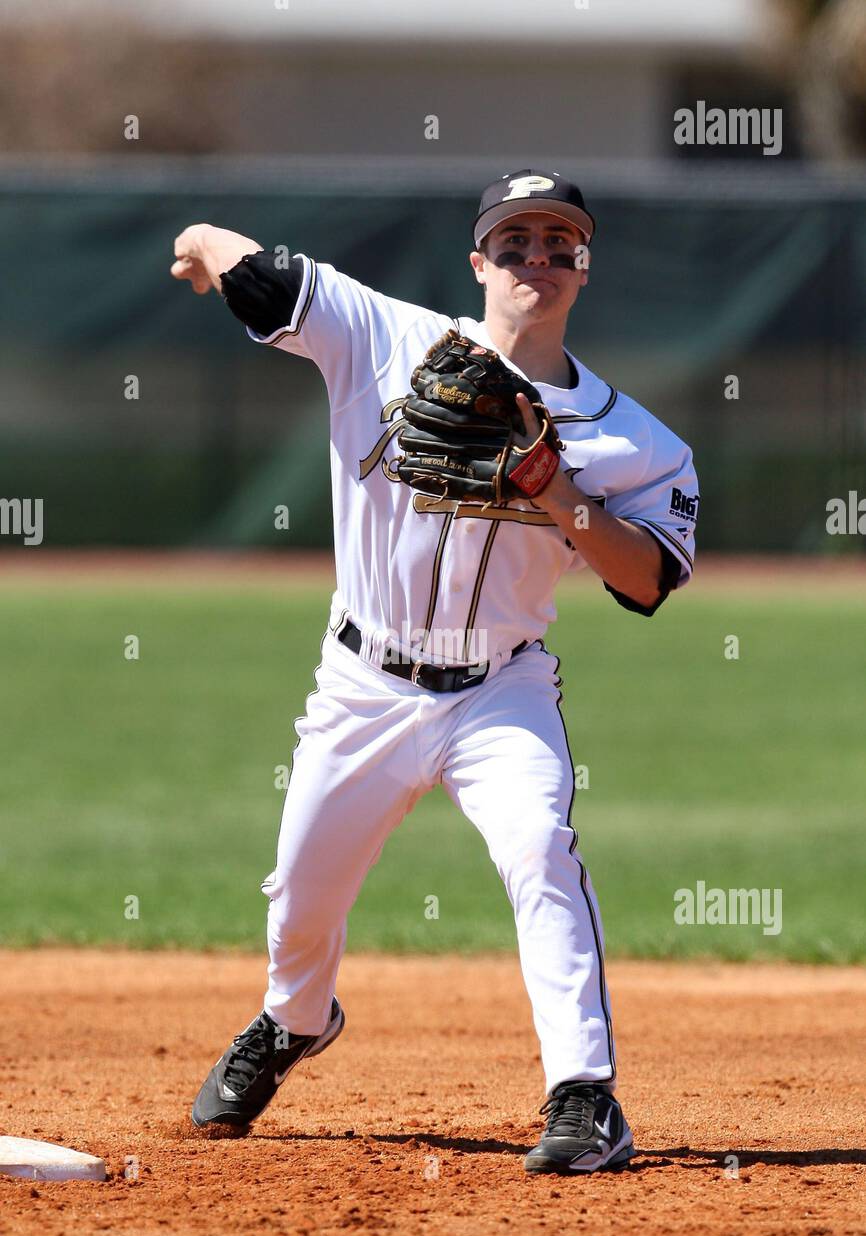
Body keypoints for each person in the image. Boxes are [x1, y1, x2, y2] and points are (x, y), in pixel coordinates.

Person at [171, 169, 698, 1174]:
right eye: (514, 241)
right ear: (478, 261)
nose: (534, 258)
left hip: (500, 691)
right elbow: (269, 277)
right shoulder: (384, 338)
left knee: (540, 850)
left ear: (582, 265)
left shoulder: (635, 442)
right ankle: (293, 1020)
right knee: (297, 900)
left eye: (557, 242)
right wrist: (200, 235)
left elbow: (643, 582)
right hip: (361, 686)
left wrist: (554, 487)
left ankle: (584, 1096)